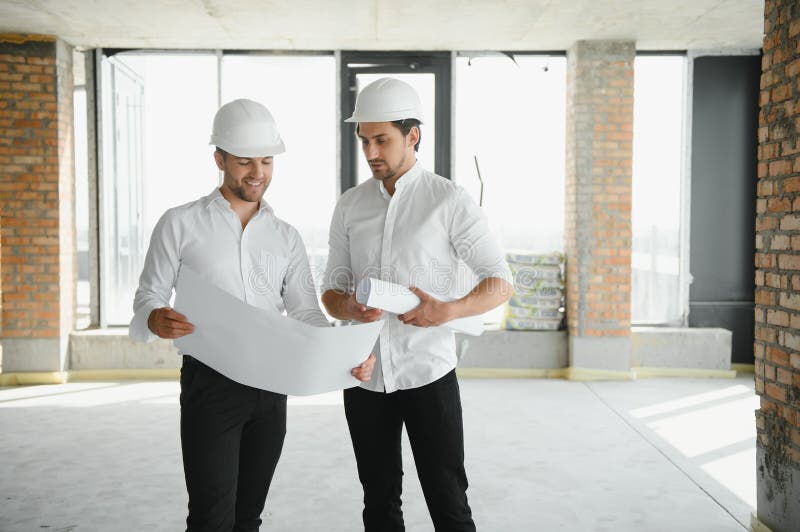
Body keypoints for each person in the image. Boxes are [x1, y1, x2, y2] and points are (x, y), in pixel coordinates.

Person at [129, 98, 375, 532]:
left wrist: (343, 355)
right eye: (244, 161)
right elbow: (150, 292)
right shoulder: (180, 223)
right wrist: (154, 316)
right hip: (211, 385)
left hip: (270, 387)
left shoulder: (286, 237)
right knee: (210, 516)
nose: (257, 172)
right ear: (219, 158)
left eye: (266, 161)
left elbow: (305, 313)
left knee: (248, 517)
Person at [321, 78, 513, 532]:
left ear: (413, 135)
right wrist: (350, 308)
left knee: (448, 501)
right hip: (364, 377)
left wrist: (444, 311)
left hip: (429, 372)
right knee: (379, 502)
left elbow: (500, 282)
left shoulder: (448, 201)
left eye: (382, 140)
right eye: (364, 140)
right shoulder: (350, 206)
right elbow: (330, 291)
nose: (371, 152)